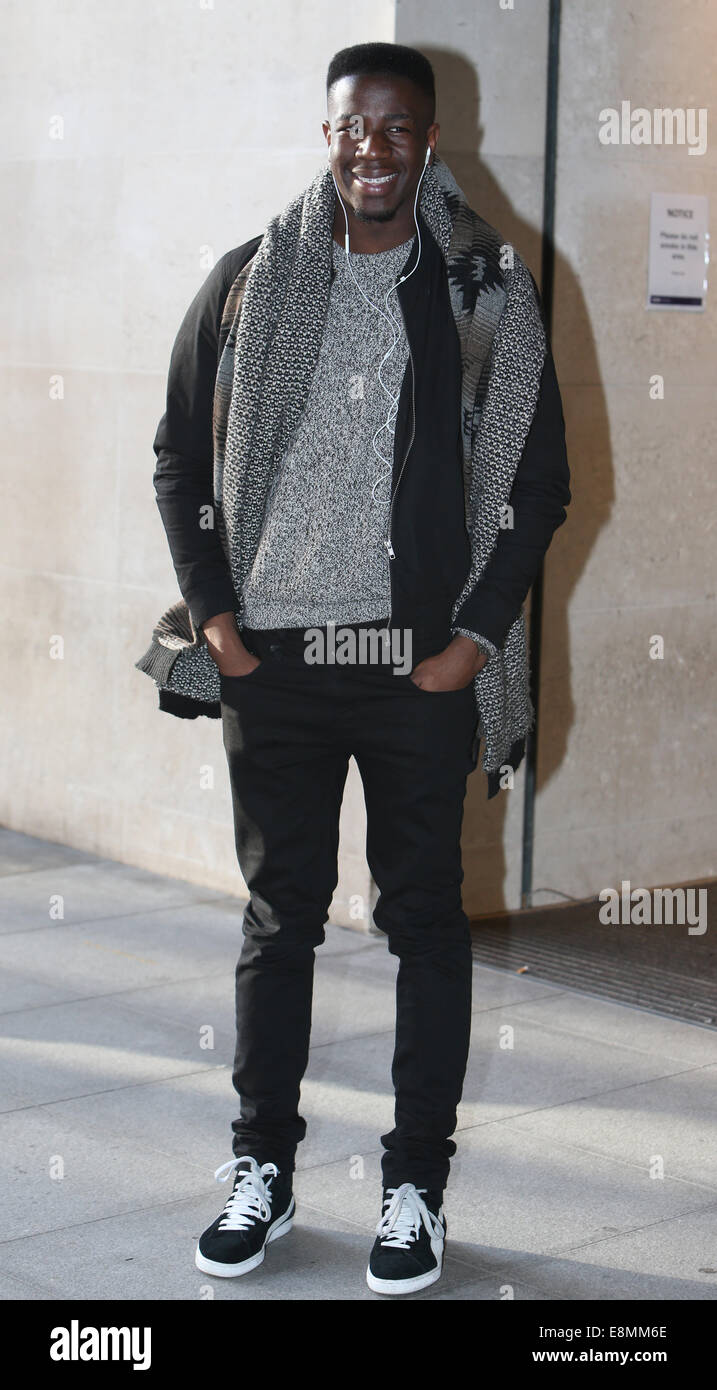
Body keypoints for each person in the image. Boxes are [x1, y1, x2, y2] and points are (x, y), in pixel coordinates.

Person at [146, 41, 570, 1296]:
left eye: (397, 130)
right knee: (279, 923)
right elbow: (178, 456)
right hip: (274, 666)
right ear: (324, 135)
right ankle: (261, 1167)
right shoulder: (248, 283)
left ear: (428, 142)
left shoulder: (483, 288)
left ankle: (414, 1188)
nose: (372, 149)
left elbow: (536, 486)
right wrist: (217, 619)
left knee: (424, 924)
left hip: (415, 670)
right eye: (352, 127)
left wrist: (474, 641)